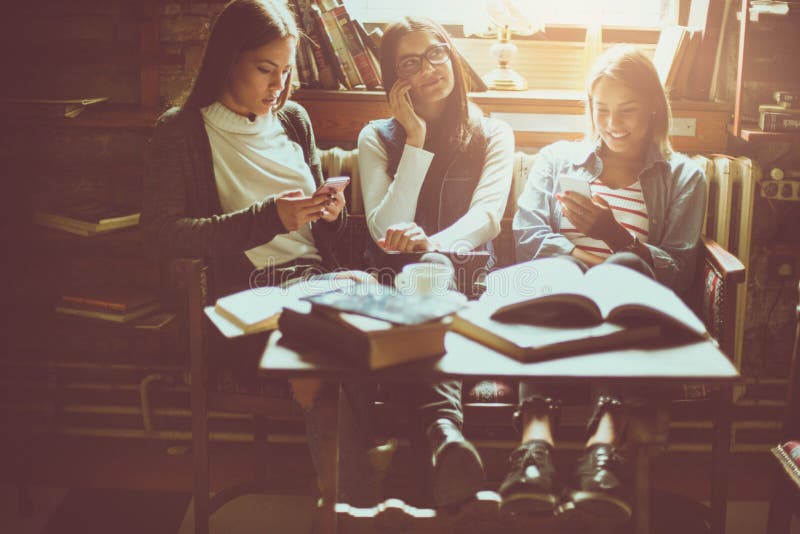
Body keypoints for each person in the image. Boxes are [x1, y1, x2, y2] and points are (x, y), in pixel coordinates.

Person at [141, 0, 378, 508]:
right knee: (332, 346)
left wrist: (329, 214)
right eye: (265, 69)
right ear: (228, 60)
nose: (279, 86)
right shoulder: (182, 130)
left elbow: (320, 241)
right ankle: (356, 506)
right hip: (247, 300)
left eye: (286, 70)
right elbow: (161, 233)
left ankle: (353, 494)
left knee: (377, 323)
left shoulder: (293, 120)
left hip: (318, 284)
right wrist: (269, 218)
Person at [500, 45, 707, 526]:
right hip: (561, 301)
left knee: (626, 265)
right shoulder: (556, 160)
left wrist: (612, 235)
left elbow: (677, 269)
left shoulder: (683, 177)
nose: (613, 123)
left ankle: (603, 448)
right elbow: (526, 237)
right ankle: (534, 446)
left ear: (653, 106)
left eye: (628, 110)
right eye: (602, 109)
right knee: (550, 276)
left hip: (629, 311)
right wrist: (573, 259)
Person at [357, 16, 514, 507]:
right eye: (411, 62)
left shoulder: (493, 133)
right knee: (422, 288)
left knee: (436, 283)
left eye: (436, 53)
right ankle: (444, 436)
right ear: (395, 79)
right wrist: (416, 138)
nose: (429, 68)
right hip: (400, 292)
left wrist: (433, 246)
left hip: (468, 286)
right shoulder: (377, 138)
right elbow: (385, 232)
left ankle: (425, 455)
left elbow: (488, 216)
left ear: (451, 55)